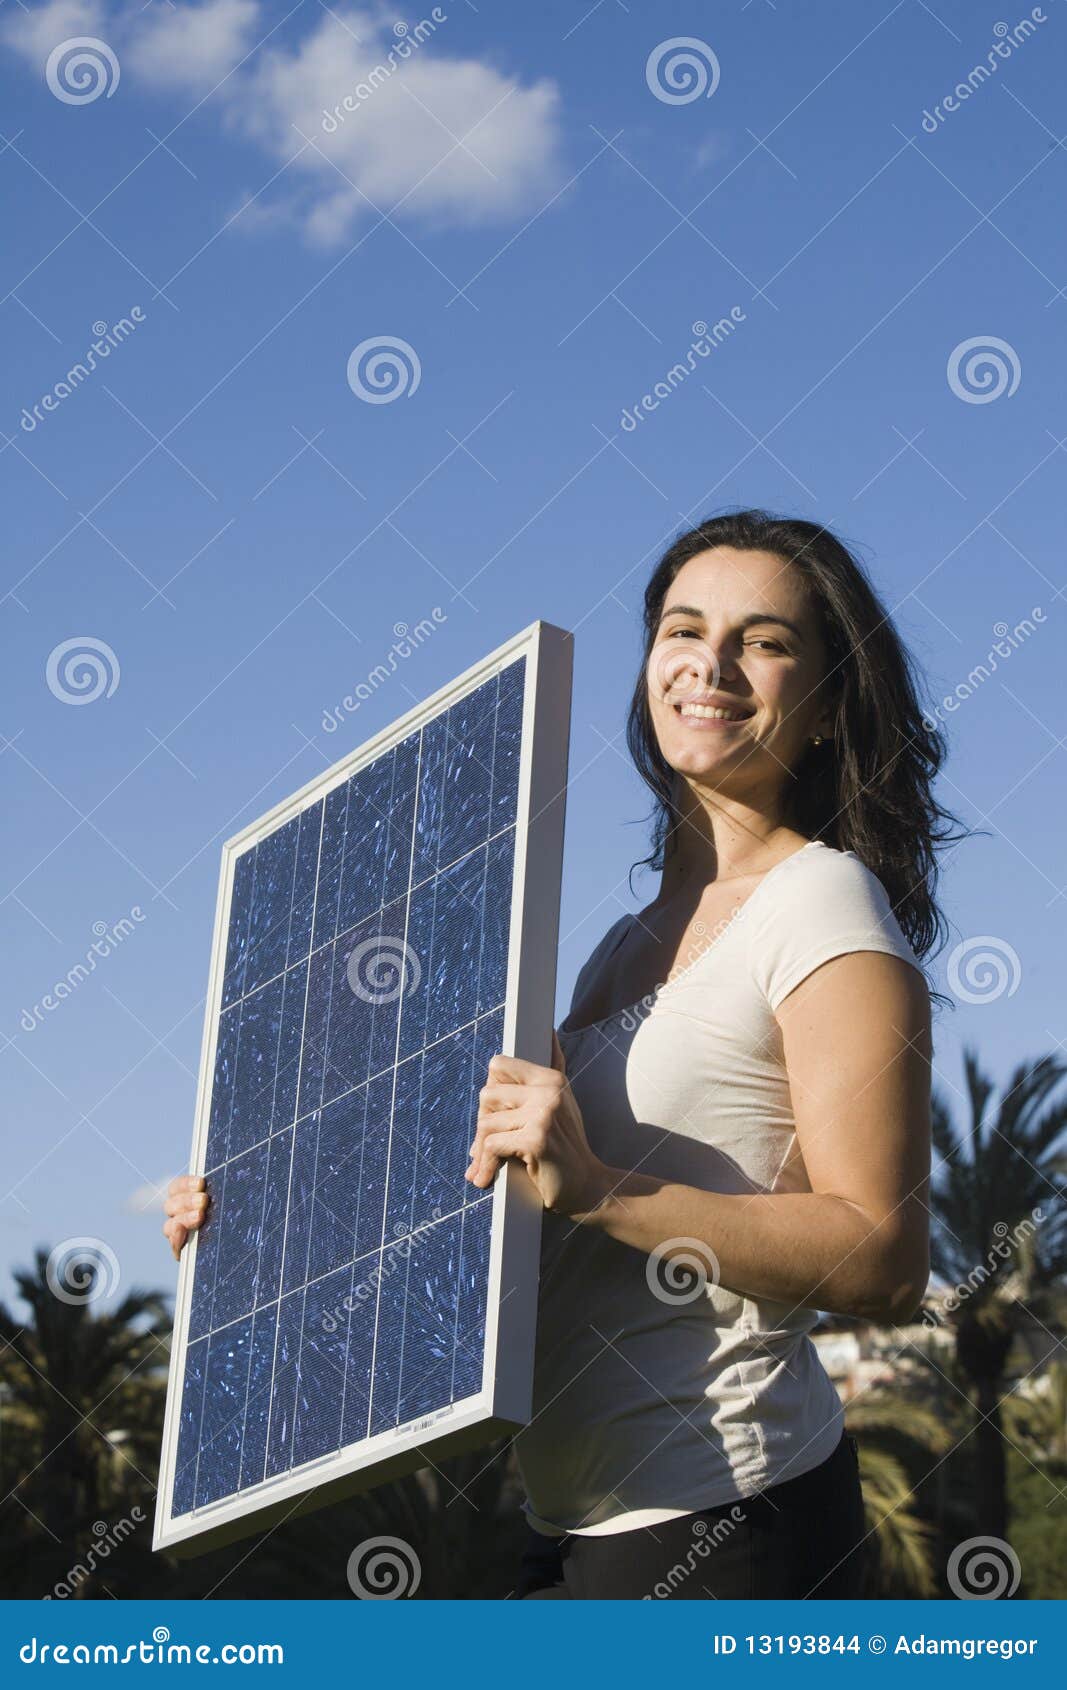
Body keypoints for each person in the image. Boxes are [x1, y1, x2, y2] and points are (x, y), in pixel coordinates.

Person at [165, 509, 959, 1600]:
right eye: (683, 629)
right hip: (563, 1528)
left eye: (764, 640)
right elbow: (472, 1220)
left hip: (731, 1519)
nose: (710, 664)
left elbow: (879, 1255)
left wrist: (600, 1190)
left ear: (825, 703)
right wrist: (262, 1238)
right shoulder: (611, 949)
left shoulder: (820, 904)